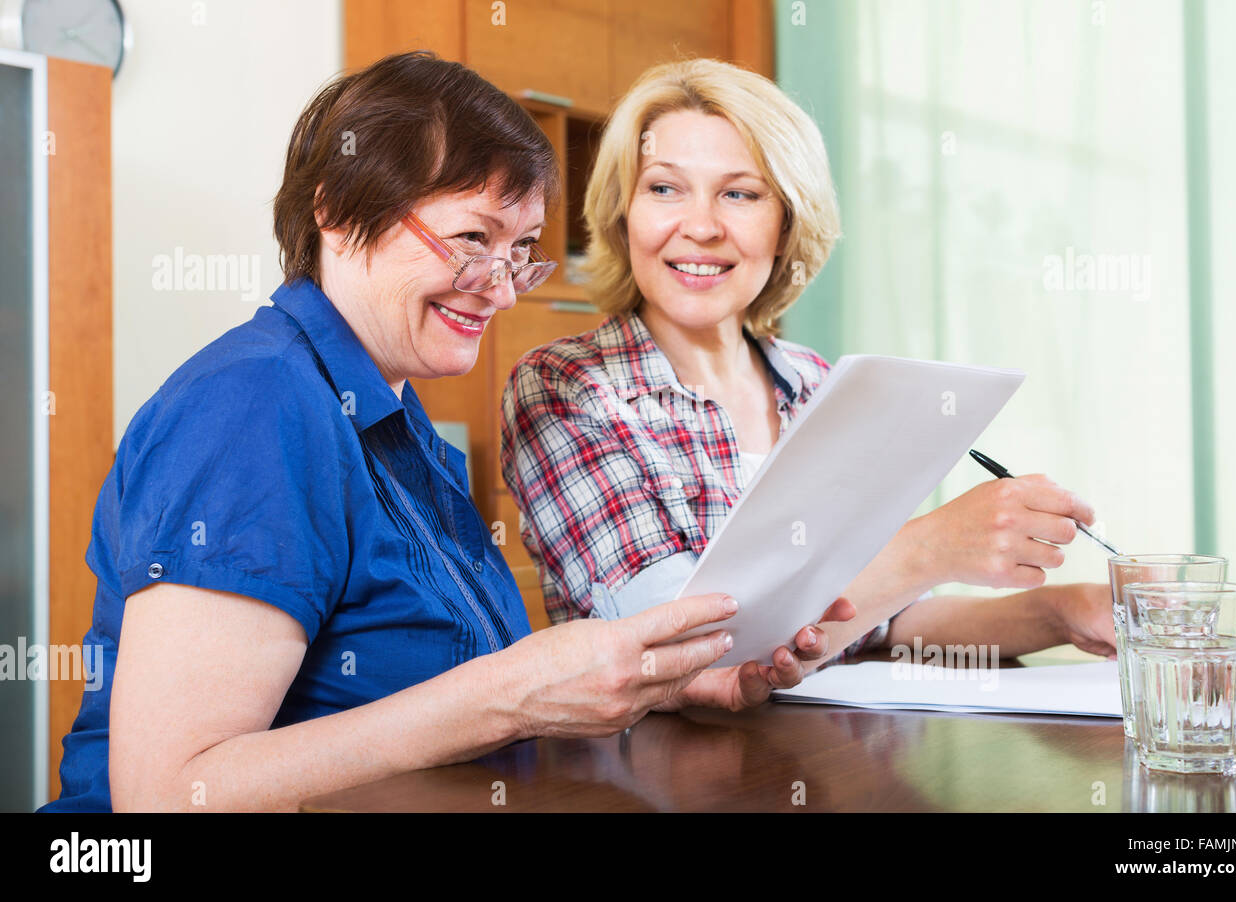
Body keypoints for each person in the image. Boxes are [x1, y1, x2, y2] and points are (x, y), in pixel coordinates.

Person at [40, 51, 846, 814]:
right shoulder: (254, 405)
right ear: (335, 211)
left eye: (520, 251)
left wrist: (658, 682)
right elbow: (170, 796)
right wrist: (507, 695)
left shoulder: (392, 417)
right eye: (471, 240)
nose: (498, 289)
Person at [500, 58, 1117, 679]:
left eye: (739, 194)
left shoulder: (818, 384)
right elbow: (679, 649)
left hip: (827, 760)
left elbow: (885, 621)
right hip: (659, 768)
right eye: (664, 188)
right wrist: (930, 548)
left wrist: (1061, 612)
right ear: (622, 212)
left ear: (786, 223)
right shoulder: (564, 387)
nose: (701, 226)